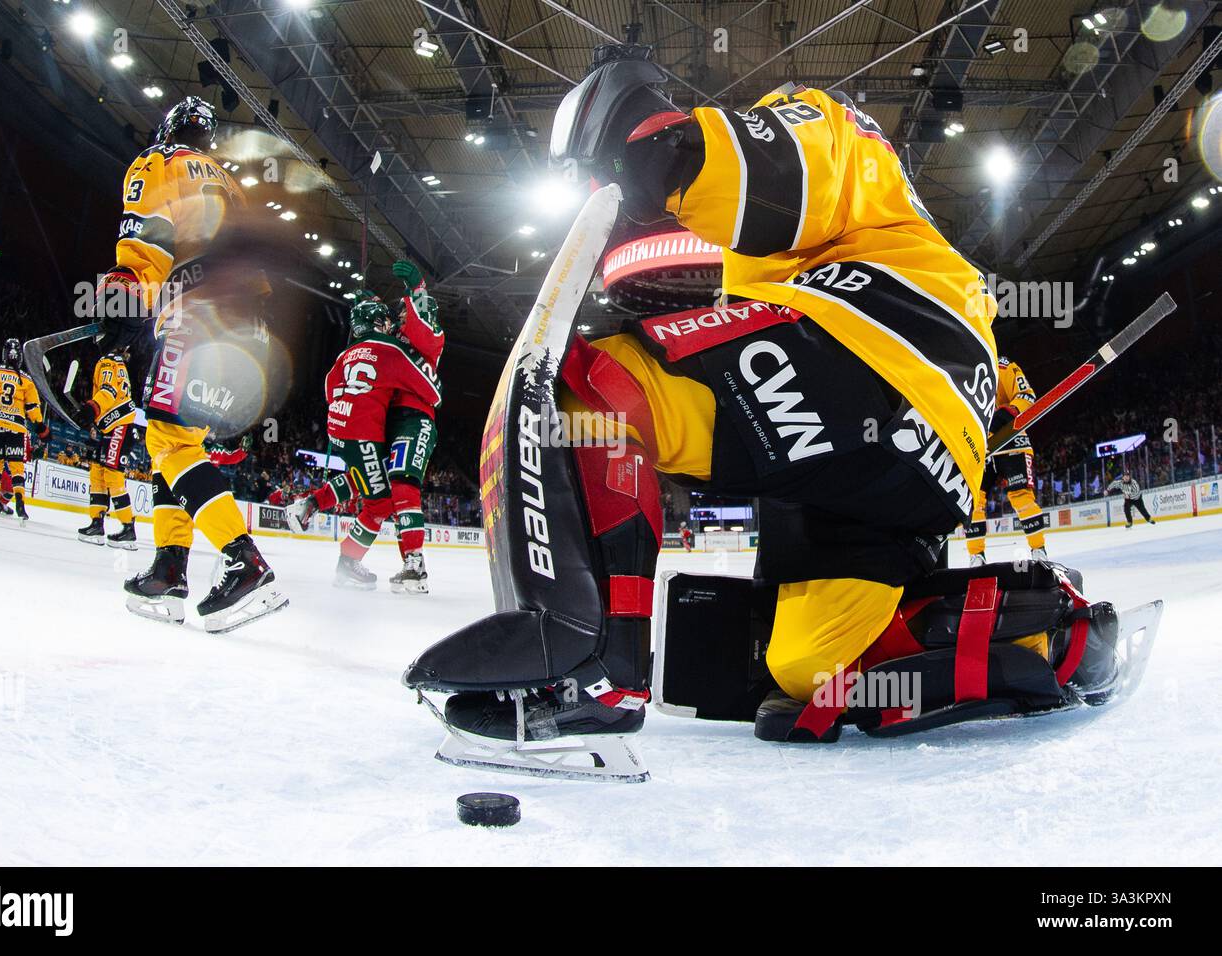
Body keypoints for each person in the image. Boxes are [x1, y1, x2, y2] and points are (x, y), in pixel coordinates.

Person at [405, 47, 1120, 761]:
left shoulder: (839, 138)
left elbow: (805, 155)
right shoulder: (832, 253)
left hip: (877, 351)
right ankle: (1042, 629)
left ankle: (589, 666)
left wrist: (675, 147)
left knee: (602, 386)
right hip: (901, 474)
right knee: (808, 668)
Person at [98, 95, 287, 632]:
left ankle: (244, 562)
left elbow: (149, 234)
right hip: (245, 326)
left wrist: (126, 292)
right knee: (178, 444)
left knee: (165, 439)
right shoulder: (232, 183)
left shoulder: (161, 161)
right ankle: (170, 568)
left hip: (195, 315)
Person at [285, 293, 441, 590]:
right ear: (377, 323)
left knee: (364, 480)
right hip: (365, 435)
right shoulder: (391, 348)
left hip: (341, 428)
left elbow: (330, 387)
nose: (390, 324)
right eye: (384, 320)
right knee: (380, 503)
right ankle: (347, 564)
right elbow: (432, 391)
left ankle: (312, 504)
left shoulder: (346, 354)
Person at [383, 259, 445, 594]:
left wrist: (417, 289)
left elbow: (422, 327)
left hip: (416, 418)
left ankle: (415, 564)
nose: (402, 318)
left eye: (408, 314)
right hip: (390, 420)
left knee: (404, 484)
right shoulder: (396, 339)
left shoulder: (431, 337)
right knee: (395, 493)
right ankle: (410, 563)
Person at [964, 355, 1047, 565]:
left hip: (1012, 440)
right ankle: (976, 557)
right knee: (973, 502)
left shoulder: (1002, 365)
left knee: (1021, 497)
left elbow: (1027, 396)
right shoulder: (962, 368)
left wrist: (1004, 415)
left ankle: (1039, 551)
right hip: (979, 447)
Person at [0, 339, 49, 523]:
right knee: (16, 470)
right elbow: (33, 408)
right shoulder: (26, 379)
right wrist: (41, 427)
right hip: (16, 426)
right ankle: (20, 506)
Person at [77, 347, 138, 549]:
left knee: (112, 476)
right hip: (112, 426)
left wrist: (92, 407)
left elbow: (108, 390)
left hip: (118, 426)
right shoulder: (118, 362)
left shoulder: (107, 362)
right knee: (98, 473)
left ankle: (128, 527)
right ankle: (97, 523)